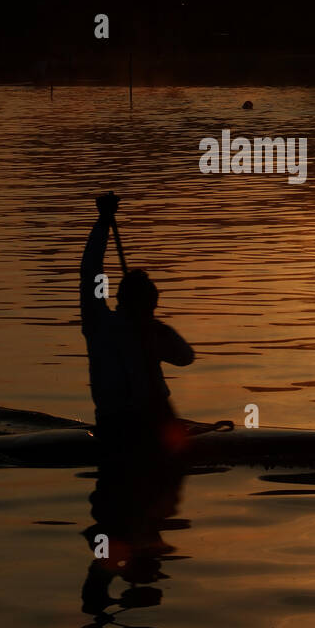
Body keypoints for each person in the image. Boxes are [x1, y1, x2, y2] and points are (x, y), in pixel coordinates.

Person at [79, 192, 195, 458]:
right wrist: (103, 222)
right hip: (140, 428)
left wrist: (103, 222)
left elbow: (186, 358)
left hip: (128, 425)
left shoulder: (112, 324)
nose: (153, 313)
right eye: (151, 308)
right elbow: (91, 273)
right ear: (145, 306)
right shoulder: (102, 323)